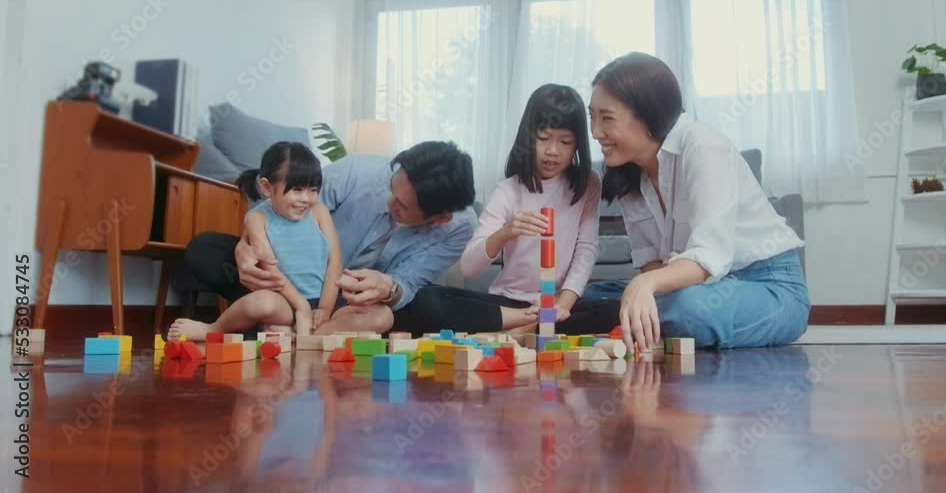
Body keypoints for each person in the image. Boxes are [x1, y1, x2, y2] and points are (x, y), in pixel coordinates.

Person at [583, 53, 810, 351]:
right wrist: (648, 285)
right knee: (590, 295)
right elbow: (651, 263)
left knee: (688, 309)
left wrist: (645, 287)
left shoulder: (702, 146)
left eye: (607, 118)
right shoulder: (626, 174)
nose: (596, 132)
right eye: (592, 116)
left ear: (647, 114)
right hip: (695, 285)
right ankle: (616, 316)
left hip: (767, 286)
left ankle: (615, 319)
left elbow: (710, 257)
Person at [180, 140, 478, 336]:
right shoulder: (358, 172)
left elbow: (408, 284)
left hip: (344, 303)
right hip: (284, 280)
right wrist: (247, 246)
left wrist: (386, 288)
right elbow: (277, 205)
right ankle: (276, 318)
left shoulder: (457, 227)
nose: (390, 204)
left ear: (440, 217)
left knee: (395, 313)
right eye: (392, 189)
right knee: (204, 249)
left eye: (403, 207)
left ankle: (299, 334)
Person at [405, 84, 619, 334]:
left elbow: (586, 249)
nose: (552, 151)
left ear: (577, 144)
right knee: (428, 300)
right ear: (529, 138)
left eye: (565, 141)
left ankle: (525, 327)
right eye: (543, 138)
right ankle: (526, 323)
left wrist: (561, 306)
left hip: (558, 304)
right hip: (508, 305)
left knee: (616, 309)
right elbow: (468, 267)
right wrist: (505, 232)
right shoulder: (508, 190)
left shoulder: (588, 184)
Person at [168, 142, 342, 341]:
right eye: (297, 189)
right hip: (285, 302)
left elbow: (334, 262)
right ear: (267, 187)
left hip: (322, 301)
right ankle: (214, 329)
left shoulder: (320, 212)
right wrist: (301, 306)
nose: (306, 198)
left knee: (378, 316)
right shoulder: (256, 218)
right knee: (262, 303)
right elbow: (269, 269)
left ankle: (292, 334)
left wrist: (324, 310)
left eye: (313, 190)